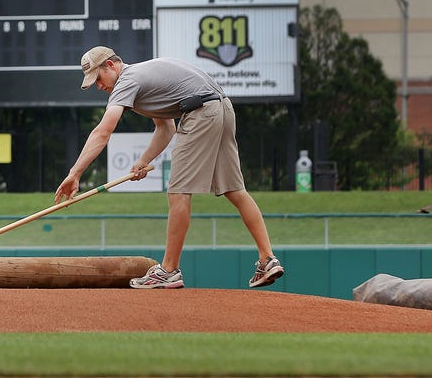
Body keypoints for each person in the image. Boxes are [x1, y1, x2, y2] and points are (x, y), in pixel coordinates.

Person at [54, 46, 284, 290]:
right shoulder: (142, 79)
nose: (98, 86)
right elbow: (166, 128)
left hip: (201, 112)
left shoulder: (127, 80)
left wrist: (74, 174)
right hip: (222, 107)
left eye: (98, 78)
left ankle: (169, 270)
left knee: (178, 192)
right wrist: (144, 159)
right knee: (235, 190)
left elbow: (103, 131)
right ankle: (267, 259)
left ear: (110, 65)